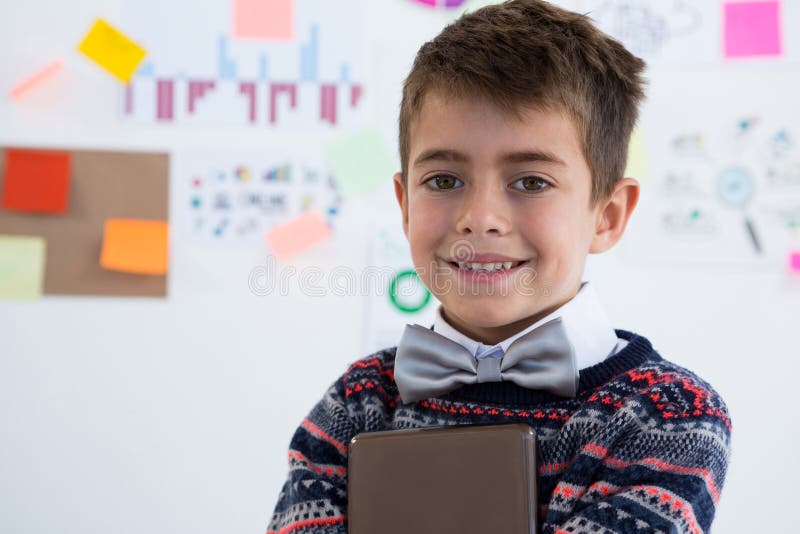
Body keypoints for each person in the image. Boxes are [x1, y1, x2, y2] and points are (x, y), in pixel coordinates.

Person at [266, 1, 732, 532]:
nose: (480, 219)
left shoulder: (670, 416)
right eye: (443, 181)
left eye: (531, 181)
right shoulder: (357, 404)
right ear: (404, 204)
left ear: (607, 215)